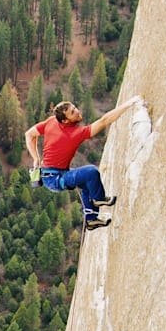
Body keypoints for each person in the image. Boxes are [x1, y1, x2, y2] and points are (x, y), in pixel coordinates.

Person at [25, 95, 142, 230]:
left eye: (75, 108)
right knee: (91, 172)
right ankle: (98, 199)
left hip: (52, 175)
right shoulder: (76, 133)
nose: (77, 112)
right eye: (73, 112)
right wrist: (129, 104)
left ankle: (91, 220)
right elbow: (104, 121)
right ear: (65, 120)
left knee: (86, 184)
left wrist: (36, 158)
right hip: (54, 179)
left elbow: (29, 134)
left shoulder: (52, 122)